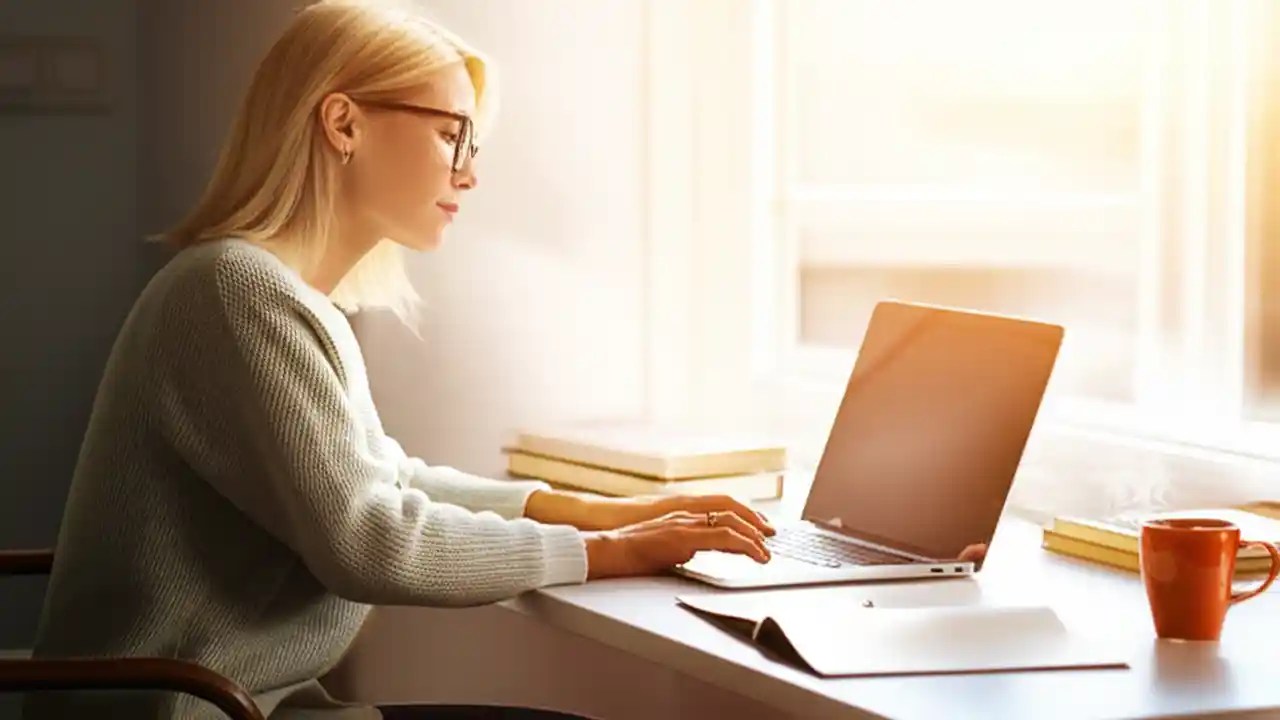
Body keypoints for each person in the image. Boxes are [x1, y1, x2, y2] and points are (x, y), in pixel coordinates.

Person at [23, 1, 774, 718]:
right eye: (454, 135)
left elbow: (388, 479)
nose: (469, 174)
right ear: (343, 122)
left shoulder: (277, 295)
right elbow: (372, 542)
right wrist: (610, 550)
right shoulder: (237, 293)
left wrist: (607, 513)